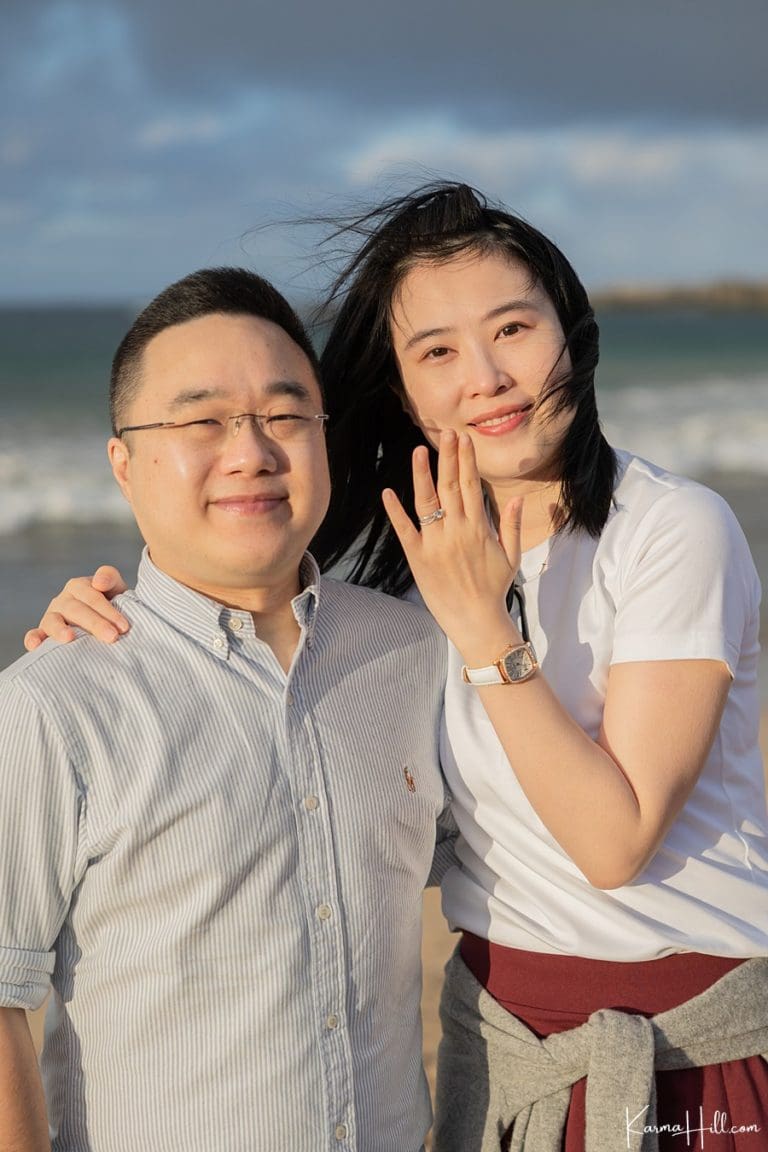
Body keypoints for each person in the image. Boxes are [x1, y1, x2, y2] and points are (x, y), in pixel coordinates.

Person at [26, 185, 768, 1151]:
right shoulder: (407, 594)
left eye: (514, 329)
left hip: (687, 1044)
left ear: (572, 333)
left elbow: (614, 844)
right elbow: (367, 827)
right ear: (404, 393)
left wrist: (485, 632)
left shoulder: (668, 530)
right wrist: (121, 637)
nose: (488, 377)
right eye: (437, 353)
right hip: (501, 1044)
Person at [1, 267, 451, 1152]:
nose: (251, 453)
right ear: (124, 465)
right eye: (201, 421)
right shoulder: (54, 702)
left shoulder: (416, 654)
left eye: (285, 415)